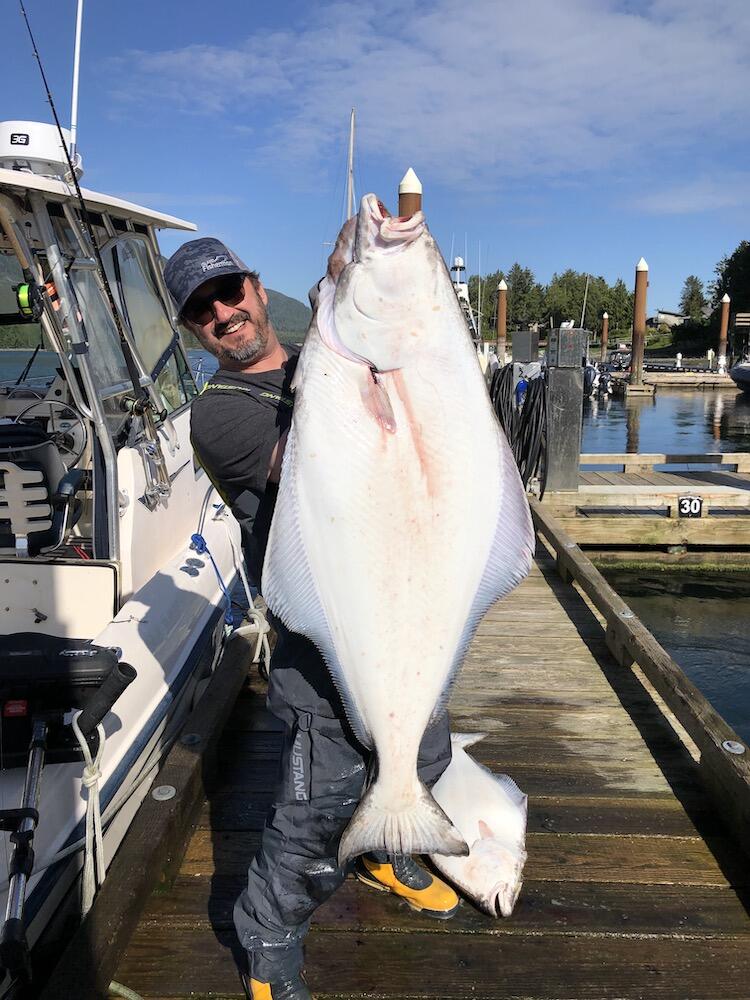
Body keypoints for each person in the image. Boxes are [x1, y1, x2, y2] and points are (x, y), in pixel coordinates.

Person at [164, 238, 458, 1000]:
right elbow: (325, 454)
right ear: (194, 331)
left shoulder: (325, 355)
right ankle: (267, 935)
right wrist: (344, 312)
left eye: (230, 293)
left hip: (401, 616)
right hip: (317, 644)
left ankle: (388, 845)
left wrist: (365, 295)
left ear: (258, 291)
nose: (224, 315)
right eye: (203, 310)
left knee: (423, 758)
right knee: (315, 813)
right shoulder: (219, 416)